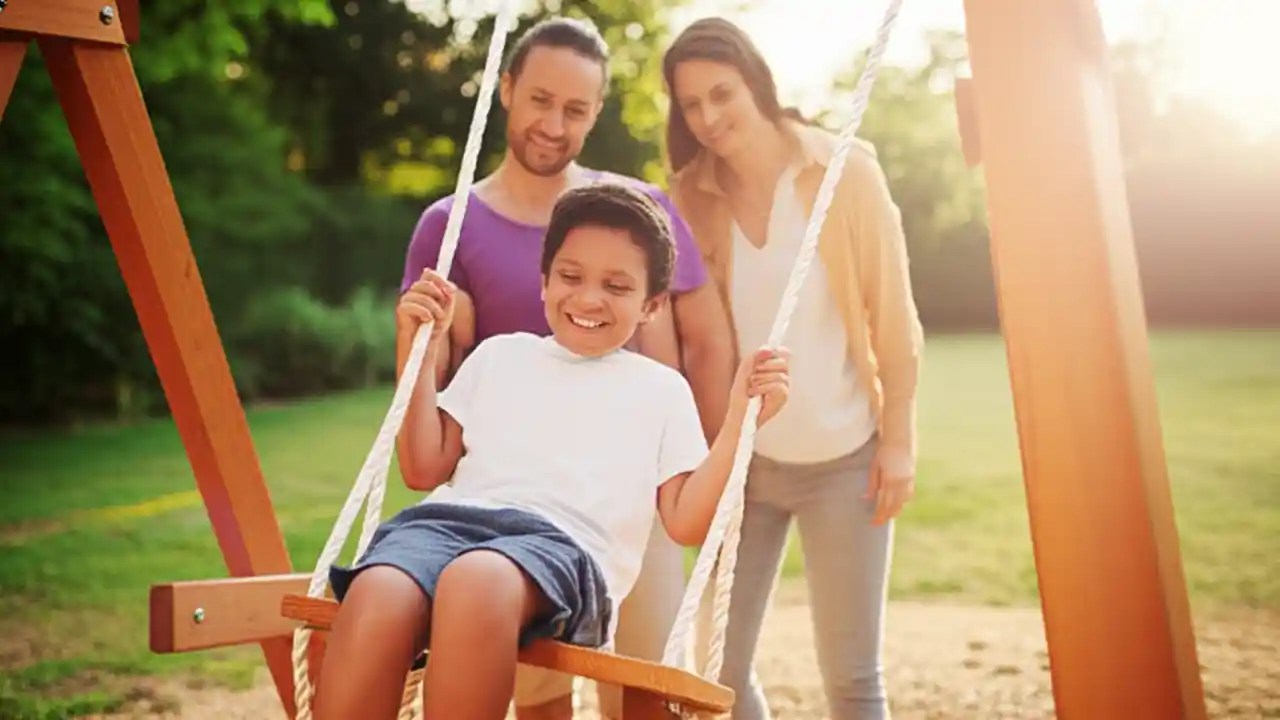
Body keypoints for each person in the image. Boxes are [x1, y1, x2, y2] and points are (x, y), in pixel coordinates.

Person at [316, 184, 789, 720]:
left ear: (653, 304)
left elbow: (686, 522)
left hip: (561, 550)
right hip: (445, 527)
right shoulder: (500, 357)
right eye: (570, 277)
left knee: (479, 580)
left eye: (616, 285)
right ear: (543, 283)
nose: (589, 298)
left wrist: (738, 425)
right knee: (378, 587)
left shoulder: (660, 390)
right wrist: (417, 350)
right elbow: (423, 465)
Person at [397, 17, 735, 719]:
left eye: (576, 109)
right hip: (523, 510)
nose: (554, 124)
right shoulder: (450, 223)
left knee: (647, 691)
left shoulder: (638, 213)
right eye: (540, 100)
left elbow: (689, 348)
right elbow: (439, 372)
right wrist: (434, 333)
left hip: (631, 497)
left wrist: (705, 471)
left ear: (596, 112)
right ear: (508, 89)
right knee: (538, 695)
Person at [662, 17, 924, 720]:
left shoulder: (845, 173)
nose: (710, 117)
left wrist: (898, 440)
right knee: (715, 674)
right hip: (745, 464)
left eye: (723, 93)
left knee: (851, 678)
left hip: (845, 459)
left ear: (757, 82)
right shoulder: (689, 197)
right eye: (692, 105)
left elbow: (894, 322)